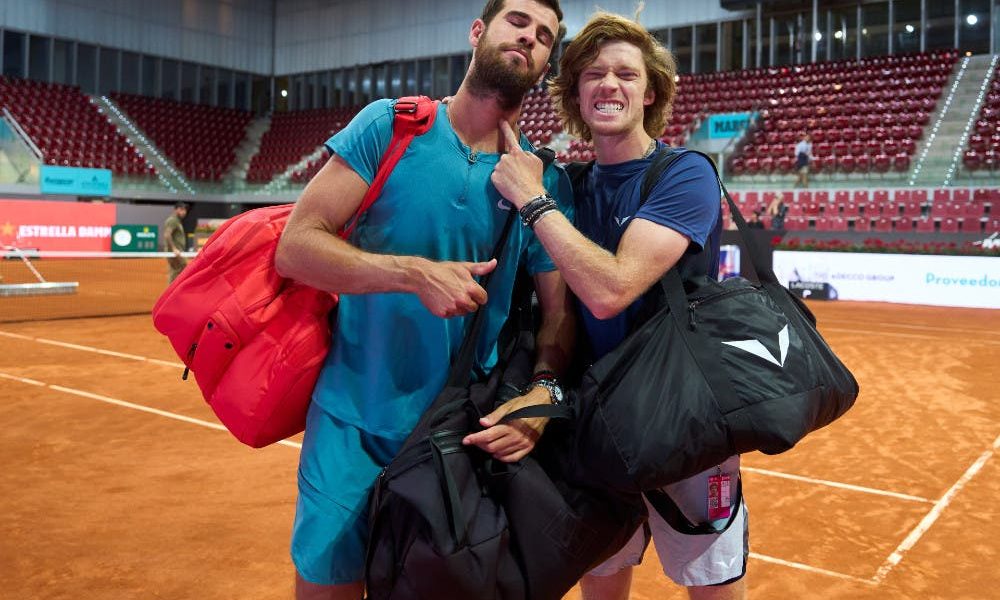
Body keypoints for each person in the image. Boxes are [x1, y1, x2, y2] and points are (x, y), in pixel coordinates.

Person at [273, 1, 572, 598]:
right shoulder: (389, 126)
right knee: (327, 587)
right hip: (351, 423)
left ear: (545, 64)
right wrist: (414, 274)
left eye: (545, 37)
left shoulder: (542, 178)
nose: (530, 39)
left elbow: (558, 318)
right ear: (479, 30)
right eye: (518, 21)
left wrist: (544, 392)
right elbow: (296, 248)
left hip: (456, 439)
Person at [491, 11, 748, 600]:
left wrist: (532, 198)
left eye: (627, 75)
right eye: (594, 74)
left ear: (650, 91)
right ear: (577, 94)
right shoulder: (570, 186)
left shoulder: (684, 173)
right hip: (597, 417)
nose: (610, 84)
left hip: (687, 419)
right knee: (602, 577)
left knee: (712, 585)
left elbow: (609, 292)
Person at [163, 201, 188, 283]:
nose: (183, 212)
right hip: (174, 252)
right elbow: (167, 234)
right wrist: (174, 249)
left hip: (177, 252)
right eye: (181, 209)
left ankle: (172, 293)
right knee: (183, 268)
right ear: (175, 210)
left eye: (184, 210)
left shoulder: (177, 221)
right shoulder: (173, 220)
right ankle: (172, 293)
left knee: (176, 271)